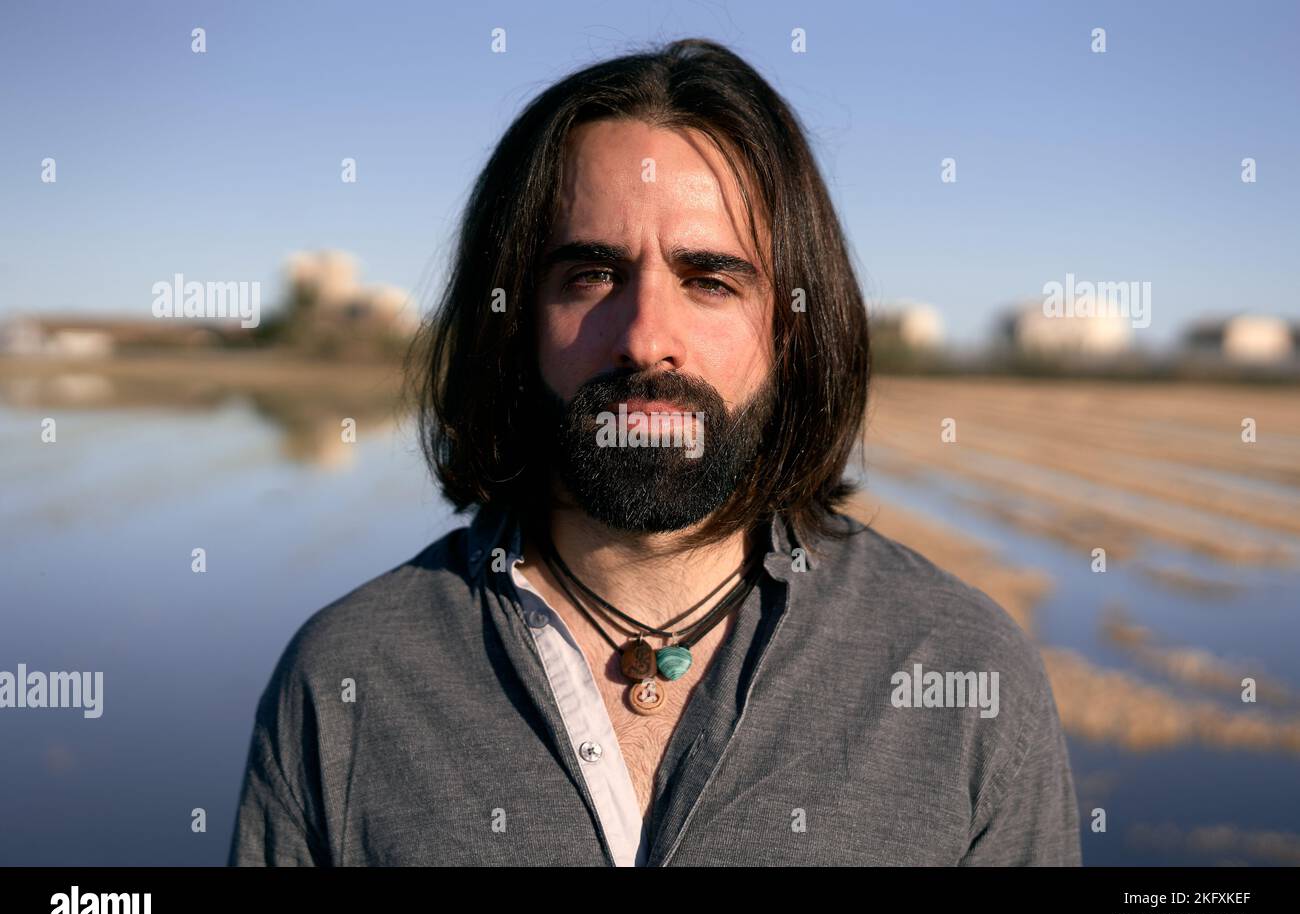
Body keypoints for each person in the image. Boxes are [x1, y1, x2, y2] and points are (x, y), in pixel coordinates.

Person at [228, 38, 1081, 867]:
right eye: (591, 275)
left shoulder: (965, 672)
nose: (645, 339)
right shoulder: (345, 678)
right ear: (514, 321)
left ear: (793, 328)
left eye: (710, 279)